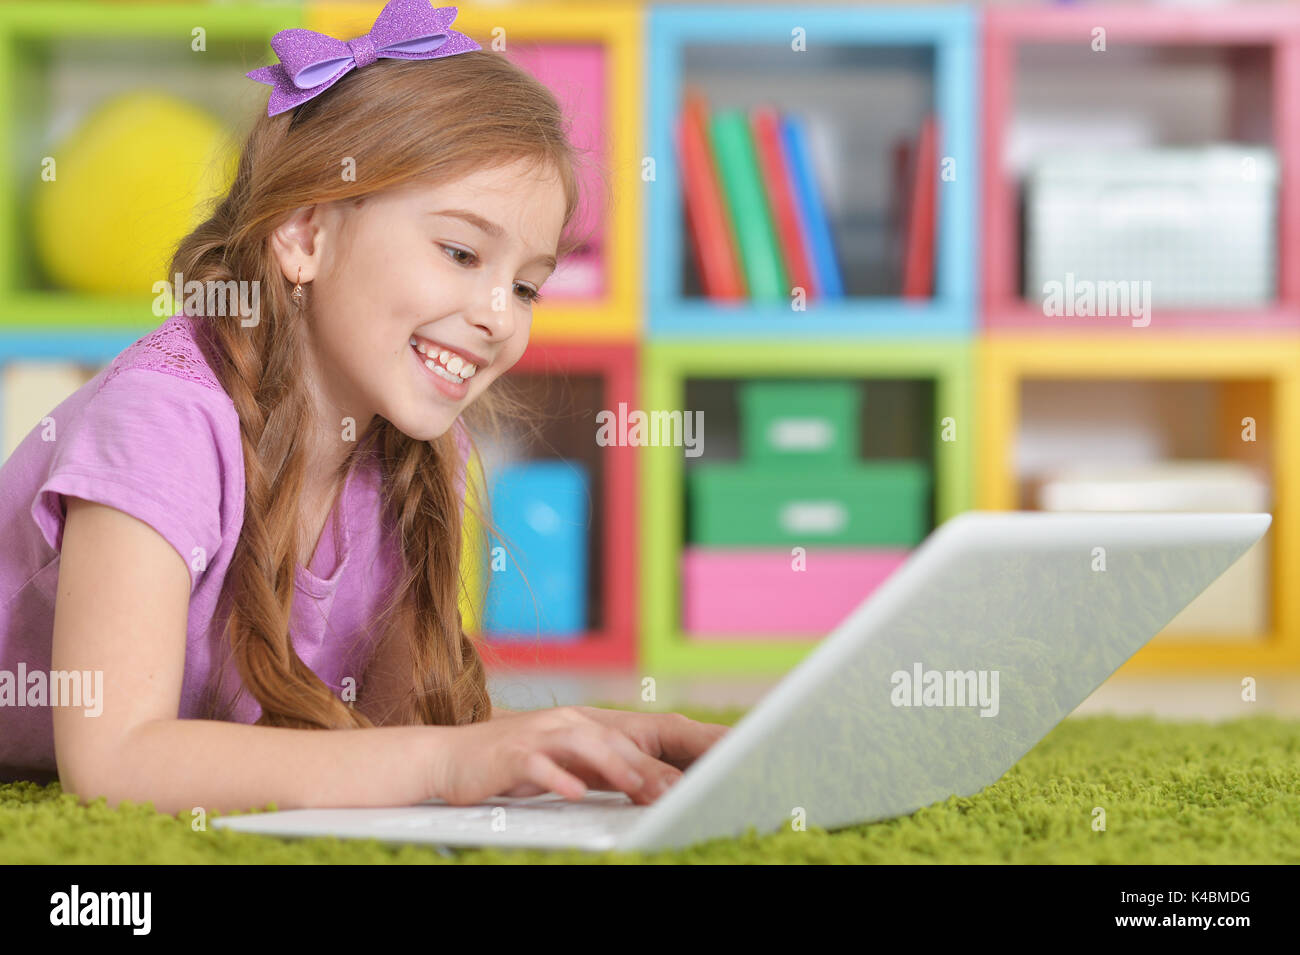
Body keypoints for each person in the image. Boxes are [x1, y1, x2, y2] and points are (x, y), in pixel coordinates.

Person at [0, 1, 727, 816]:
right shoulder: (160, 420)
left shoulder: (406, 449)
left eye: (526, 285)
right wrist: (449, 762)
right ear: (305, 234)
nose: (498, 314)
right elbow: (115, 758)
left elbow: (391, 736)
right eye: (460, 251)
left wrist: (594, 740)